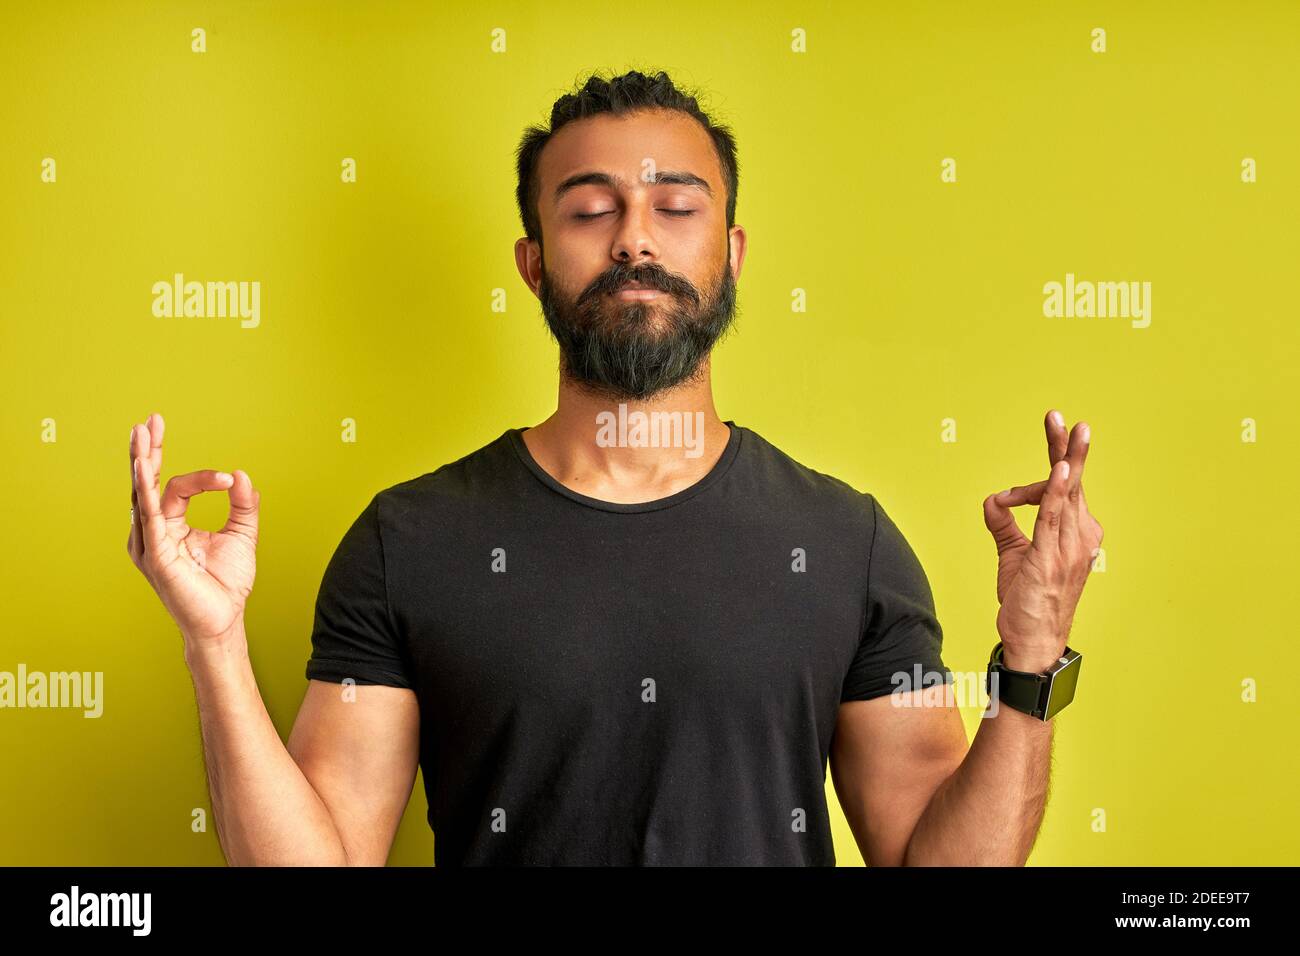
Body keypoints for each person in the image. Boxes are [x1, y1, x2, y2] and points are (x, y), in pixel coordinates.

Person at [126, 69, 1103, 866]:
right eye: (592, 209)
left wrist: (1031, 660)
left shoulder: (846, 545)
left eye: (675, 205)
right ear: (533, 262)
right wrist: (213, 646)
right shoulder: (408, 542)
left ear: (731, 250)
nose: (635, 236)